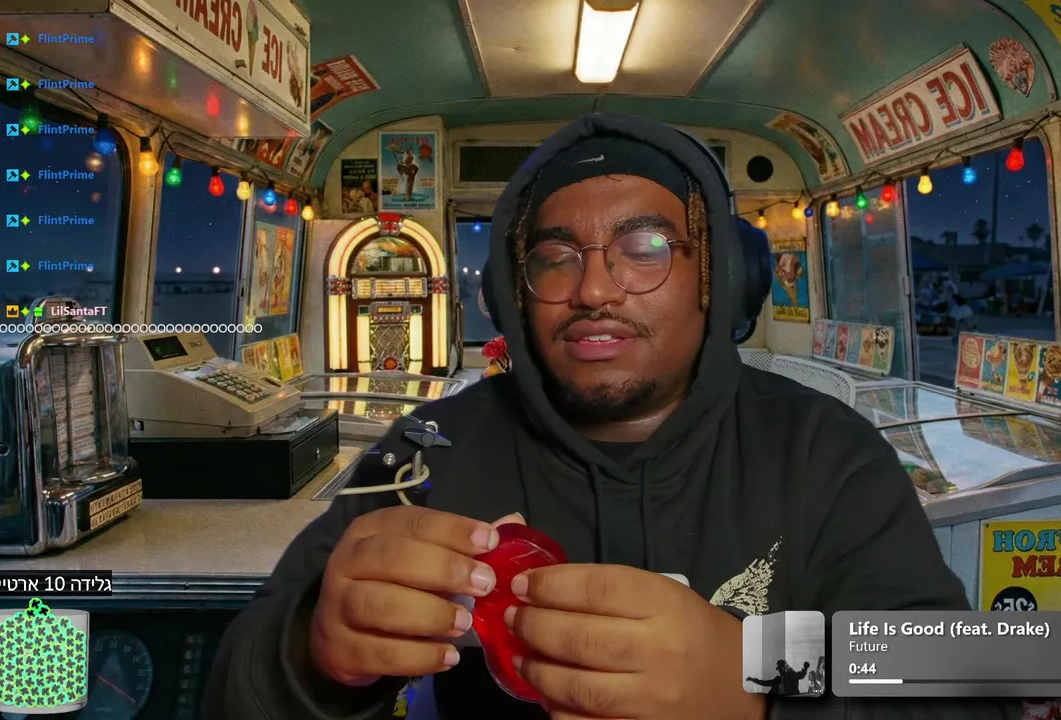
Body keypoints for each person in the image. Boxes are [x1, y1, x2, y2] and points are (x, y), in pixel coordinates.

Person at [203, 114, 1014, 719]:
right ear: (513, 295)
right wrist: (311, 654)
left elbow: (981, 683)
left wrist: (758, 677)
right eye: (555, 258)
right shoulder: (428, 448)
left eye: (646, 247)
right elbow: (230, 687)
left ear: (717, 279)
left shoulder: (826, 450)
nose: (593, 289)